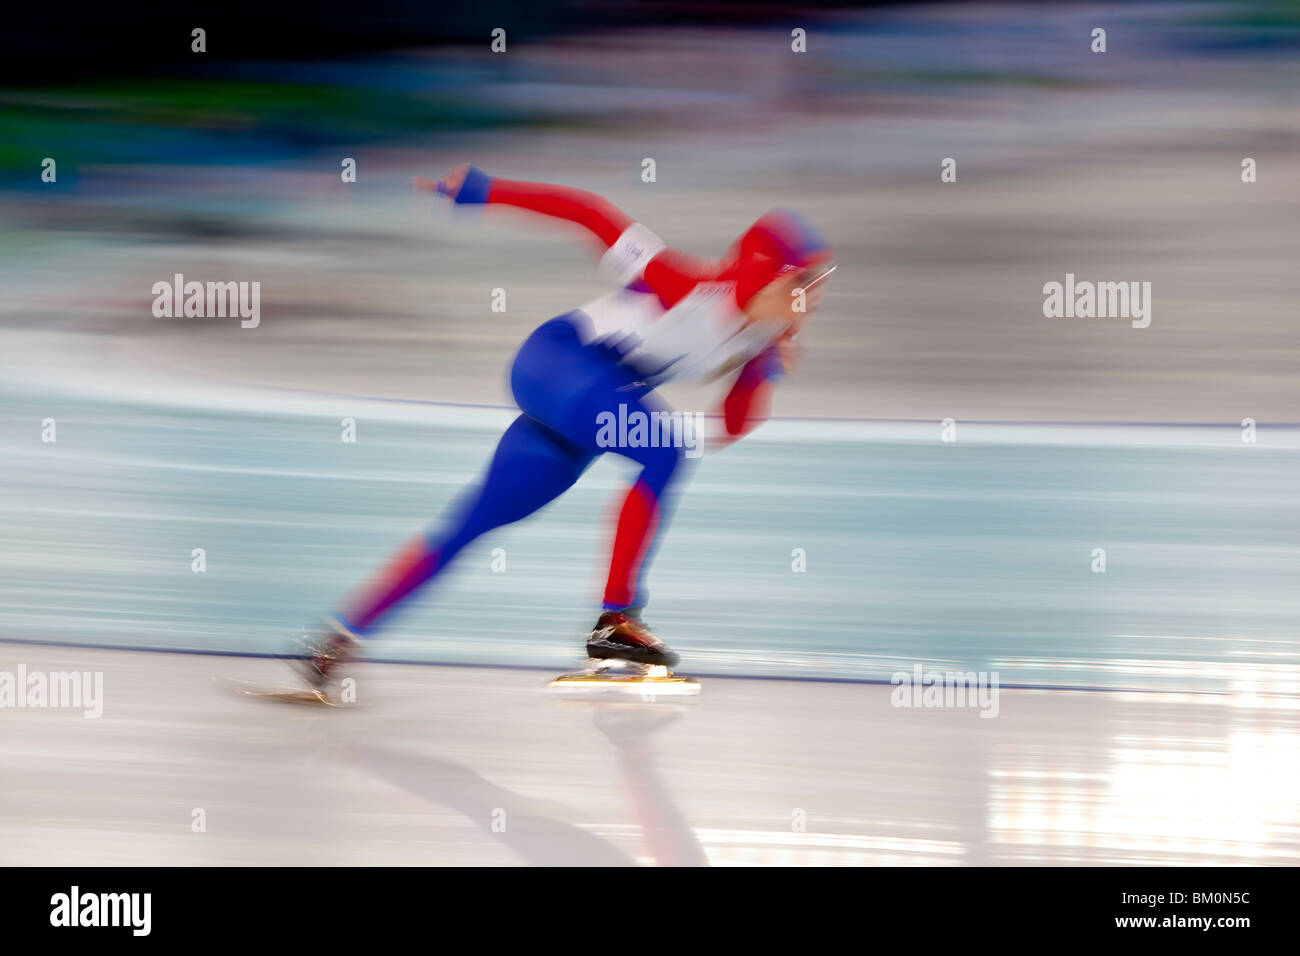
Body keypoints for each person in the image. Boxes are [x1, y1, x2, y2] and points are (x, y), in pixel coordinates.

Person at [289, 164, 834, 691]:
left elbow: (730, 426)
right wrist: (484, 190)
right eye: (805, 282)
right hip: (557, 362)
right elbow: (588, 213)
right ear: (767, 274)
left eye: (821, 282)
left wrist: (767, 376)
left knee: (469, 525)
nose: (815, 298)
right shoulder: (685, 282)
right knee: (665, 451)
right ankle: (616, 619)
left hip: (580, 416)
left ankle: (334, 644)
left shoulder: (761, 343)